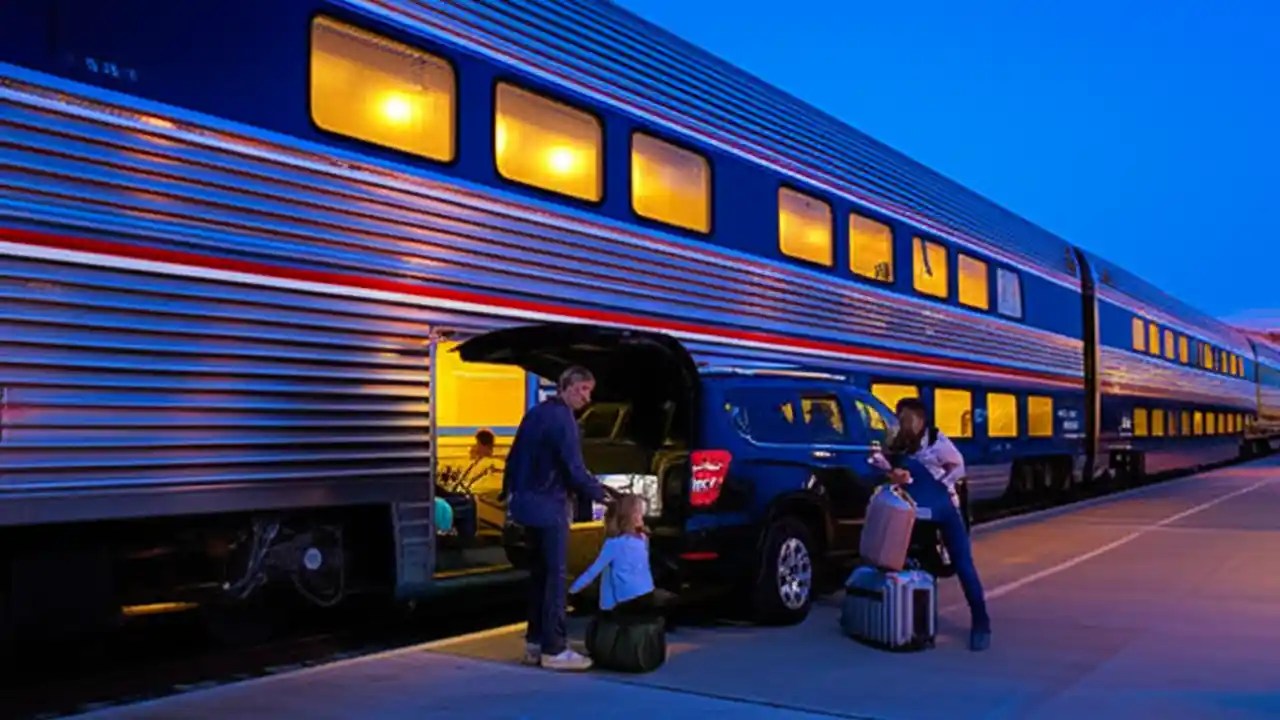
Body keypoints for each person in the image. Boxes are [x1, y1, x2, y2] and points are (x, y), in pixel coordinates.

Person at [503, 366, 610, 671]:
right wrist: (604, 495)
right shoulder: (564, 421)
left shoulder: (535, 414)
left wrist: (511, 496)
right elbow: (574, 471)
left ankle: (534, 644)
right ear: (570, 387)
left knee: (538, 577)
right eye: (585, 390)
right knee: (554, 579)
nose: (587, 398)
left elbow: (513, 459)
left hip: (525, 505)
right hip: (549, 507)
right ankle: (554, 648)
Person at [872, 397, 992, 652]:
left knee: (963, 564)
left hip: (946, 510)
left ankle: (981, 622)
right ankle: (921, 622)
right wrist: (888, 469)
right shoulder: (897, 442)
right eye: (900, 418)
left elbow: (959, 467)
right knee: (922, 565)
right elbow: (888, 468)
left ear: (920, 420)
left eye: (906, 418)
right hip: (917, 513)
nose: (902, 423)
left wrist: (944, 486)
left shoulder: (938, 441)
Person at [568, 494, 659, 617]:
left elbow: (593, 571)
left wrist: (571, 591)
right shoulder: (643, 539)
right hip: (646, 593)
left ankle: (606, 608)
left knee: (608, 569)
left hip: (625, 600)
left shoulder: (613, 544)